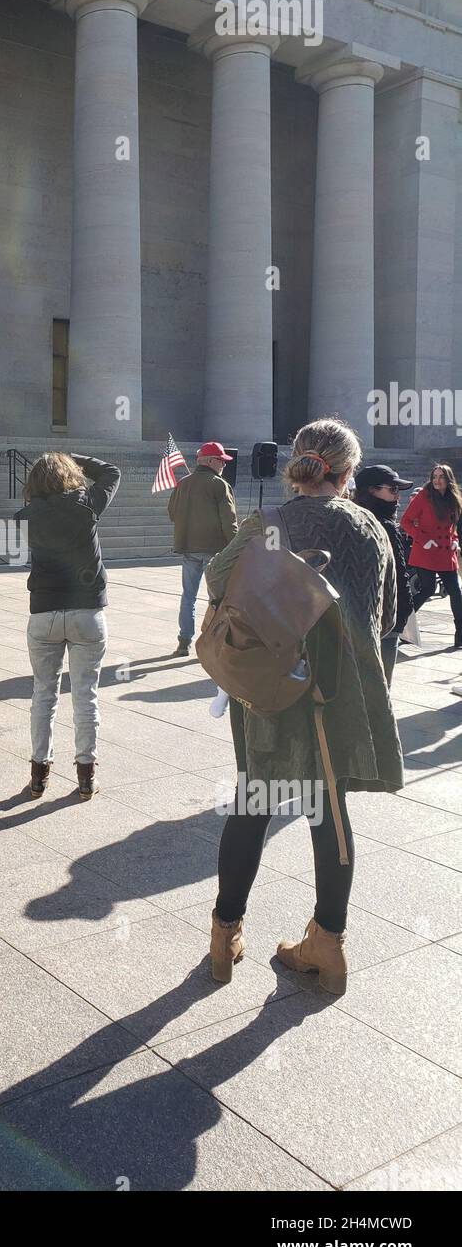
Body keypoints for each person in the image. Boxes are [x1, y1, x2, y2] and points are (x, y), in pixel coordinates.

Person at [204, 418, 402, 996]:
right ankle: (327, 943)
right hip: (337, 693)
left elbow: (217, 581)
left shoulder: (269, 523)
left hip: (270, 686)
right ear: (348, 471)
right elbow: (387, 620)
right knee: (327, 810)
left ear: (299, 463)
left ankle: (224, 933)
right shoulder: (369, 527)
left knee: (253, 800)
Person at [23, 453, 120, 801]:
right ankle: (85, 775)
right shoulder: (87, 504)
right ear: (70, 475)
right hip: (86, 612)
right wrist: (71, 457)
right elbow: (110, 470)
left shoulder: (30, 515)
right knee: (85, 695)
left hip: (44, 612)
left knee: (43, 695)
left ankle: (39, 773)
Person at [167, 441, 238, 656]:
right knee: (216, 599)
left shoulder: (183, 483)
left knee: (188, 596)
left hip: (188, 547)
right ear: (210, 461)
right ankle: (213, 642)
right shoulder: (219, 484)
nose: (224, 465)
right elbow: (229, 521)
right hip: (215, 550)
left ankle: (184, 641)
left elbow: (172, 513)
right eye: (221, 461)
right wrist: (236, 547)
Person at [353, 465, 416, 683]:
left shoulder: (356, 520)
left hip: (365, 619)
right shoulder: (384, 526)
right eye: (392, 490)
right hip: (386, 619)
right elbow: (398, 575)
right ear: (371, 491)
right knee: (380, 687)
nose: (398, 496)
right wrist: (403, 612)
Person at [401, 464, 462, 650]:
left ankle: (460, 636)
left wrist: (455, 541)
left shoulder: (453, 498)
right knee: (427, 590)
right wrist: (423, 539)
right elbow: (405, 521)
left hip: (446, 551)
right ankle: (402, 625)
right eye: (434, 476)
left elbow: (452, 527)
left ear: (448, 479)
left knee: (456, 593)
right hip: (425, 551)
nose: (437, 480)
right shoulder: (423, 496)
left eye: (441, 477)